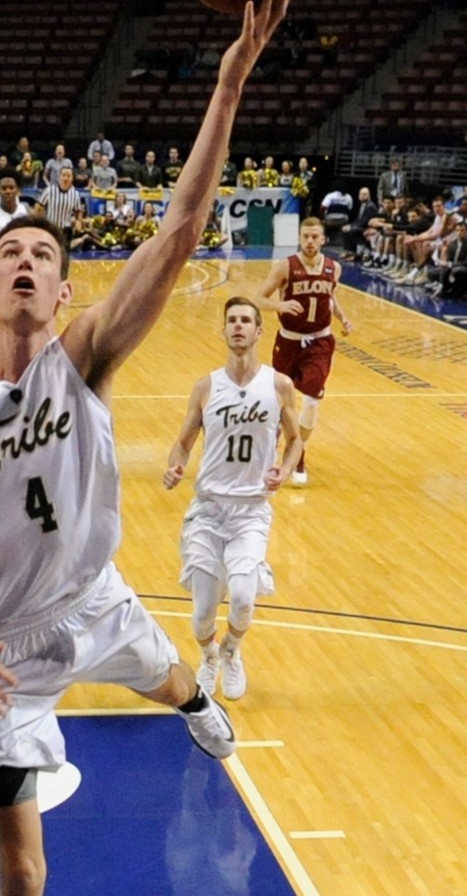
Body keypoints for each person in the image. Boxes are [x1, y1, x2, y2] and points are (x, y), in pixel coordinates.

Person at [0, 0, 291, 896]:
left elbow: (181, 230)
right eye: (9, 256)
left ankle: (197, 703)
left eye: (44, 258)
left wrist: (227, 87)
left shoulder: (85, 358)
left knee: (173, 679)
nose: (25, 264)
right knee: (18, 865)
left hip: (95, 599)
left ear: (66, 294)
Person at [162, 298, 305, 701]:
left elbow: (295, 440)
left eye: (246, 320)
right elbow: (183, 443)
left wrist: (286, 467)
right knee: (203, 612)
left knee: (242, 597)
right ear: (223, 331)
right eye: (232, 321)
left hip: (250, 510)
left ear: (260, 332)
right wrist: (175, 467)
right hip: (208, 509)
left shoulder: (279, 385)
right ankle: (209, 656)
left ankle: (230, 651)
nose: (238, 326)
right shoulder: (206, 387)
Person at [252, 217, 351, 488]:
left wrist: (343, 319)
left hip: (320, 342)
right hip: (289, 341)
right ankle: (273, 444)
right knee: (281, 401)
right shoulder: (286, 266)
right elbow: (259, 298)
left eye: (314, 237)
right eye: (305, 236)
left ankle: (298, 452)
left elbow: (330, 297)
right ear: (300, 238)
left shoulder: (334, 268)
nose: (309, 241)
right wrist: (278, 306)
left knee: (311, 400)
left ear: (323, 239)